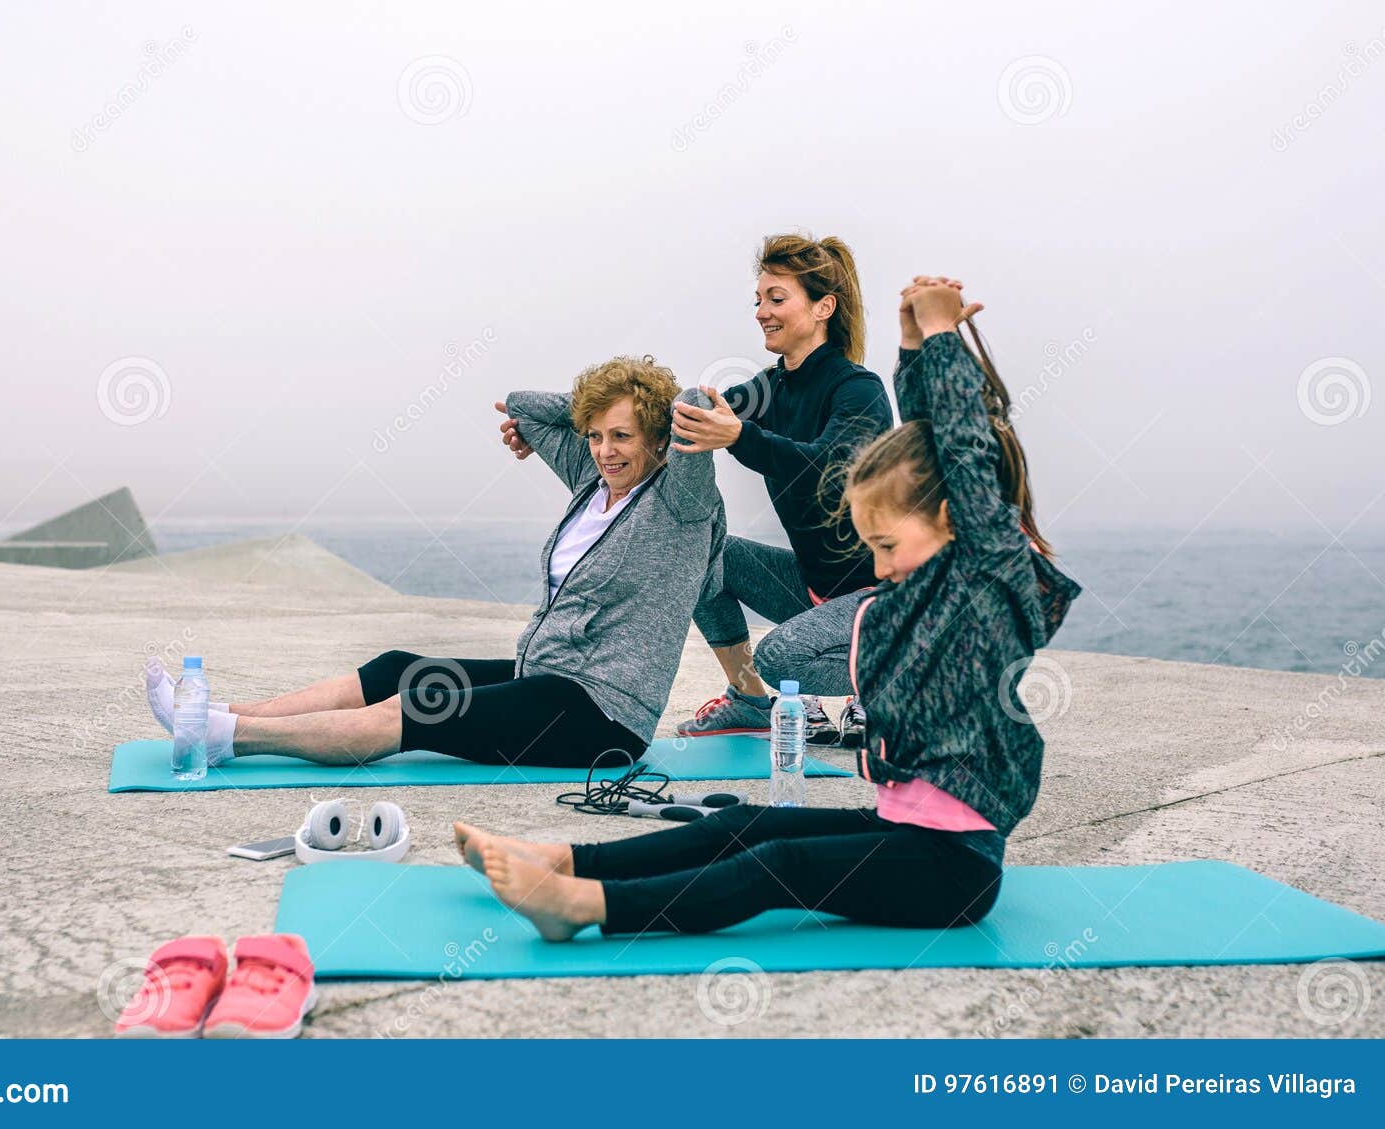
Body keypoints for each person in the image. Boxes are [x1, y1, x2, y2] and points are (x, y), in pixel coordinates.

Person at [452, 276, 1081, 940]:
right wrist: (912, 345)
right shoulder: (929, 581)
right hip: (904, 828)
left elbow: (964, 454)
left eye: (888, 546)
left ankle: (586, 907)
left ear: (956, 522)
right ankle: (566, 862)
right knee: (742, 824)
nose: (881, 568)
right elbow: (927, 444)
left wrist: (945, 335)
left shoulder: (986, 581)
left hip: (954, 867)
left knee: (780, 864)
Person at [141, 356, 724, 769]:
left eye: (621, 435)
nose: (604, 450)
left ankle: (228, 738)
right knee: (398, 669)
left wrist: (641, 400)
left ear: (658, 435)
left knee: (421, 706)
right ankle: (218, 711)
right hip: (544, 677)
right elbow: (522, 406)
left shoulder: (680, 503)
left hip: (603, 716)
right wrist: (597, 405)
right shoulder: (592, 482)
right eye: (594, 435)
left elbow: (693, 404)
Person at [664, 233, 893, 742]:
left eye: (776, 298)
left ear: (823, 307)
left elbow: (831, 466)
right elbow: (688, 415)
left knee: (780, 657)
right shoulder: (771, 388)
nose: (761, 312)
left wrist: (740, 437)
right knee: (706, 552)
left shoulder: (858, 389)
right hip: (816, 590)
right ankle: (747, 700)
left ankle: (891, 680)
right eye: (758, 300)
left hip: (884, 596)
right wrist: (566, 423)